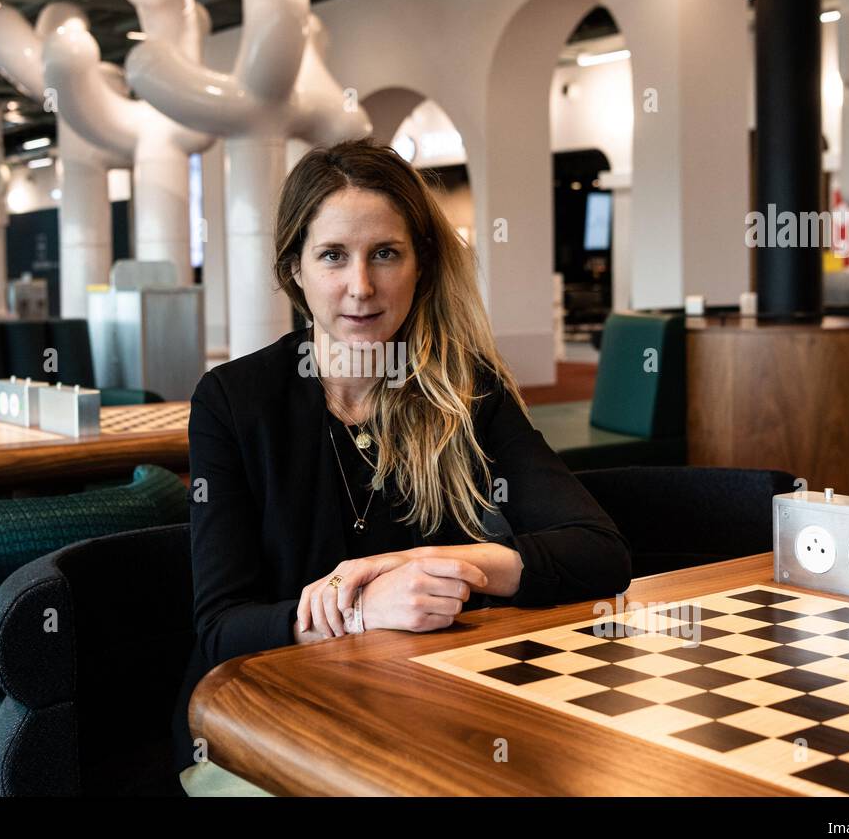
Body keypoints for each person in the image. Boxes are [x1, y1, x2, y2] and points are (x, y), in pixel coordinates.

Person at [176, 138, 631, 793]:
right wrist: (361, 612)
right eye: (333, 255)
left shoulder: (464, 389)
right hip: (260, 726)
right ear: (295, 270)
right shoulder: (232, 401)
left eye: (385, 254)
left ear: (420, 265)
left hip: (422, 711)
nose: (361, 287)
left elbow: (600, 553)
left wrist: (440, 566)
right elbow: (222, 629)